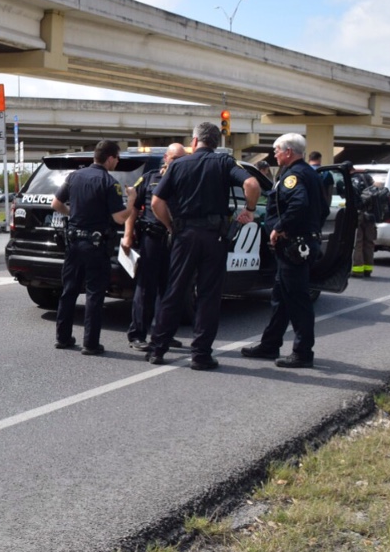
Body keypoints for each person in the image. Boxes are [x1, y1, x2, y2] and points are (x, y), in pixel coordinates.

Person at [145, 122, 260, 370]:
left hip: (184, 235)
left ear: (194, 141)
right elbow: (251, 184)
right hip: (214, 237)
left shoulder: (177, 164)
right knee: (208, 295)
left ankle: (157, 349)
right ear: (216, 143)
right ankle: (201, 355)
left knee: (174, 291)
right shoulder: (224, 163)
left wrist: (170, 226)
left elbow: (156, 202)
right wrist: (249, 210)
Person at [241, 133, 326, 368]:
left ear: (288, 152)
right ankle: (270, 344)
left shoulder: (295, 176)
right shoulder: (309, 173)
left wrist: (280, 227)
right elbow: (323, 208)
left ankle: (302, 352)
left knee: (297, 300)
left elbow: (299, 204)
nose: (275, 154)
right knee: (280, 298)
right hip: (297, 245)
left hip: (293, 248)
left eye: (277, 150)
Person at [52, 139, 135, 356]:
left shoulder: (74, 176)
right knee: (94, 294)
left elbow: (56, 204)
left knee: (69, 290)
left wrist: (74, 214)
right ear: (109, 158)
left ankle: (62, 337)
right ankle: (90, 343)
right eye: (117, 158)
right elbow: (119, 218)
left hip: (73, 243)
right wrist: (132, 202)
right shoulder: (109, 183)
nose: (117, 162)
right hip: (95, 246)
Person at [126, 142, 187, 351]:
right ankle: (137, 335)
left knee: (170, 290)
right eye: (174, 159)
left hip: (176, 241)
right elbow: (133, 209)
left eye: (182, 159)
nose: (178, 163)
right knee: (146, 288)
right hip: (152, 237)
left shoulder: (187, 180)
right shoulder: (151, 177)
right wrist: (127, 236)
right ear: (166, 159)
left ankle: (164, 334)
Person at [350, 170, 377, 278]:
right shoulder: (367, 177)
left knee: (358, 243)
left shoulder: (352, 179)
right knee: (369, 242)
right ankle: (368, 269)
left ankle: (357, 269)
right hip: (370, 216)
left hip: (359, 215)